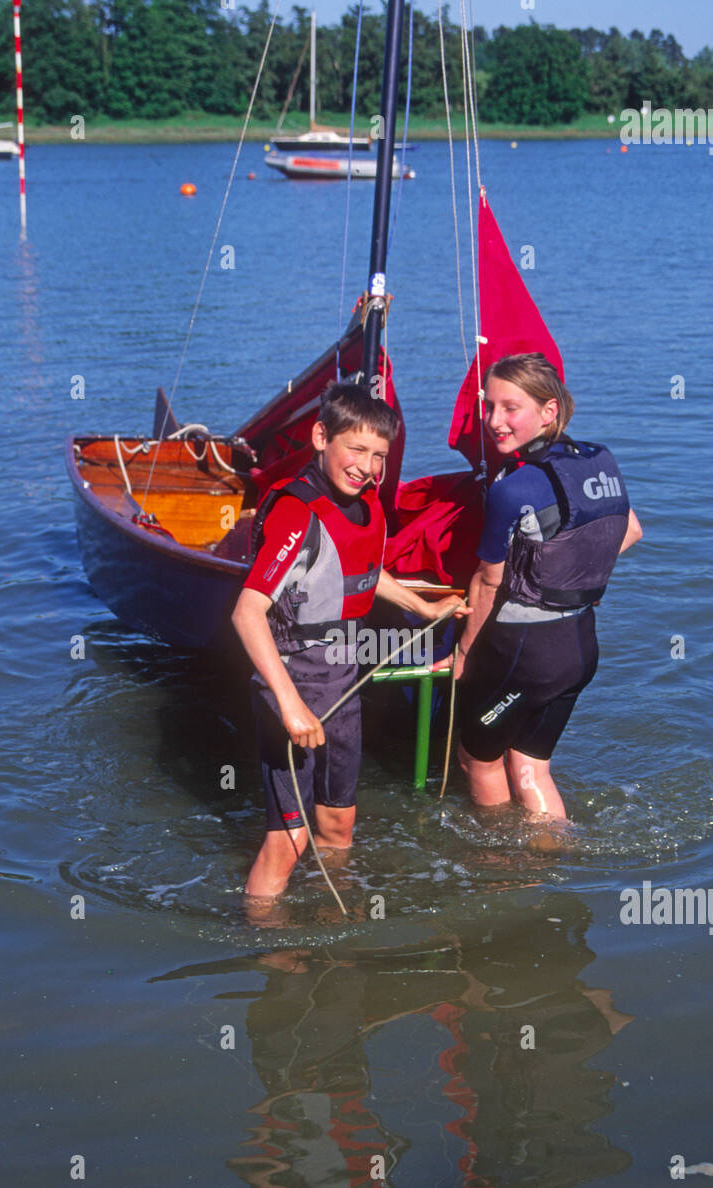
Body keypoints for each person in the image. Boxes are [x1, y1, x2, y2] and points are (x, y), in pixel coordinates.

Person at [232, 381, 467, 900]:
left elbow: (364, 571)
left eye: (378, 455)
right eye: (355, 449)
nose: (367, 466)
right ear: (321, 437)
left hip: (343, 688)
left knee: (339, 824)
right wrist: (290, 706)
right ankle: (269, 956)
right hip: (291, 689)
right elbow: (247, 612)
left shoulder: (369, 506)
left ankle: (333, 915)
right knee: (288, 840)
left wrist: (424, 607)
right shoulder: (298, 512)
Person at [440, 352, 642, 821]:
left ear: (549, 411)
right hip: (581, 648)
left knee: (479, 760)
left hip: (525, 653)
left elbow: (489, 581)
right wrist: (564, 572)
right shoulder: (598, 460)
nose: (494, 421)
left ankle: (500, 874)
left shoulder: (515, 487)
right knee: (530, 766)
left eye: (510, 408)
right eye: (489, 407)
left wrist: (465, 656)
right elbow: (630, 530)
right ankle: (552, 864)